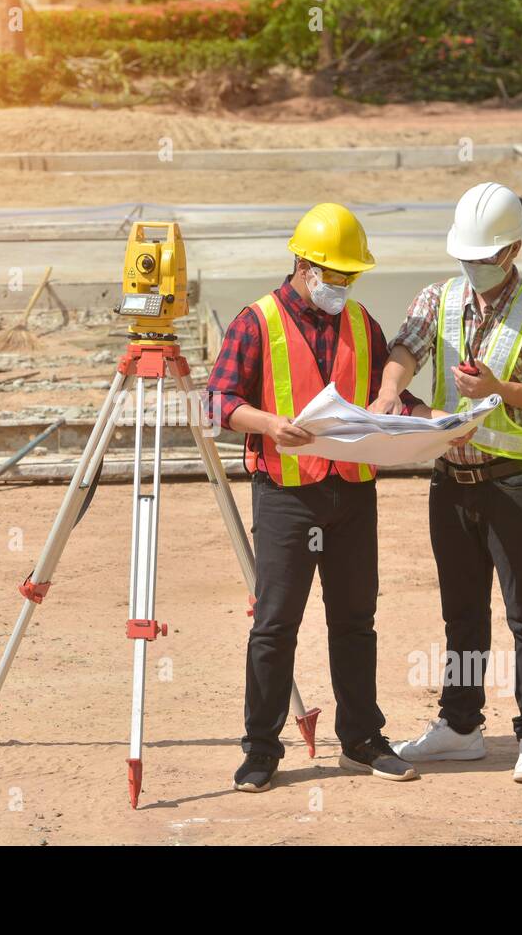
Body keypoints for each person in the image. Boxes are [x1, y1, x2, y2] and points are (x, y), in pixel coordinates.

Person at [207, 203, 421, 792]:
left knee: (356, 621)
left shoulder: (361, 323)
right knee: (275, 625)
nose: (343, 286)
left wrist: (428, 421)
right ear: (303, 265)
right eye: (336, 274)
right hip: (287, 496)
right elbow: (217, 402)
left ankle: (362, 741)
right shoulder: (256, 322)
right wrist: (269, 424)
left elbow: (390, 395)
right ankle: (260, 750)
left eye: (352, 276)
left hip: (351, 494)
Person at [372, 182, 522, 783]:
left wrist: (499, 391)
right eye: (466, 255)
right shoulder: (440, 297)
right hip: (450, 482)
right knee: (461, 614)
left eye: (484, 257)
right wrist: (389, 388)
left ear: (512, 251)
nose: (473, 266)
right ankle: (461, 725)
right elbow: (406, 346)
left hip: (513, 484)